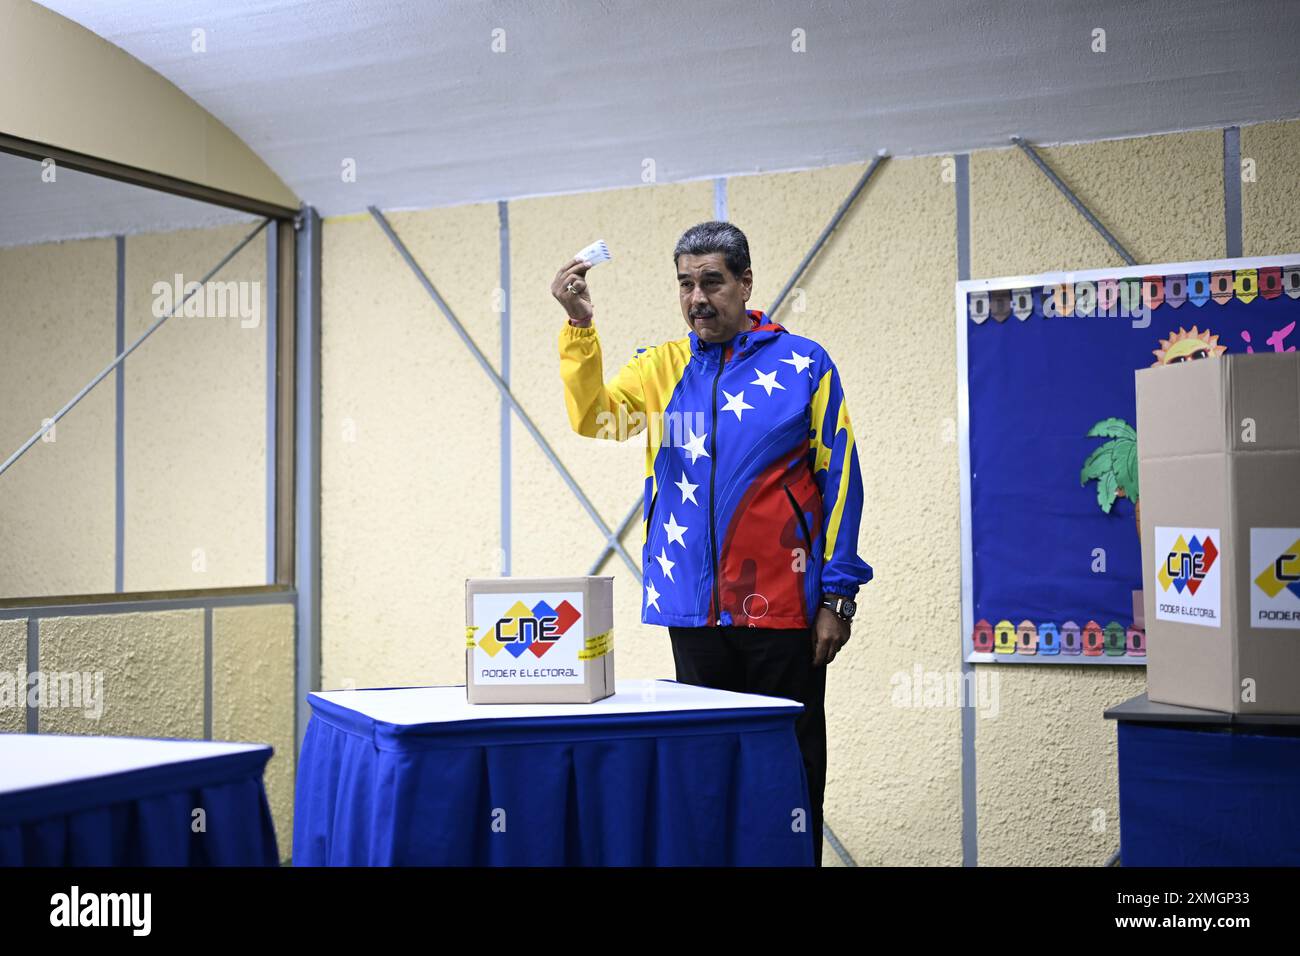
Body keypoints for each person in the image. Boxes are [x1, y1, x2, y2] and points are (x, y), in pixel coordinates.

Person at [552, 220, 873, 866]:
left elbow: (841, 479)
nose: (698, 298)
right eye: (686, 284)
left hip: (783, 612)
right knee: (706, 774)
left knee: (789, 773)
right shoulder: (660, 368)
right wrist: (581, 328)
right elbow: (594, 418)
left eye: (713, 282)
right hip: (693, 612)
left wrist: (838, 597)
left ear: (746, 283)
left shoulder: (805, 363)